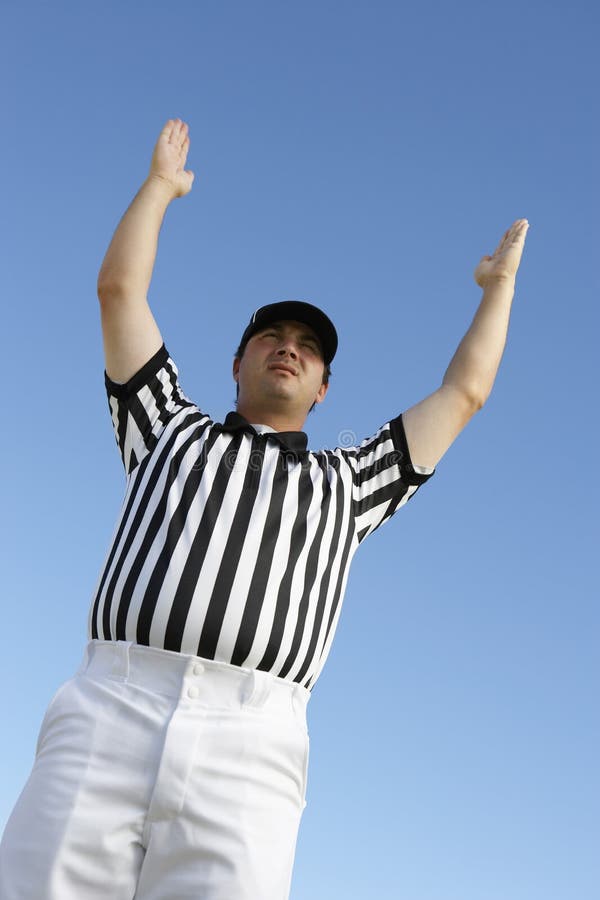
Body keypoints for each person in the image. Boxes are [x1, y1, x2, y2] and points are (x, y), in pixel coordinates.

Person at [0, 118, 529, 900]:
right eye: (272, 336)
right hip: (110, 707)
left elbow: (465, 394)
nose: (290, 346)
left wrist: (499, 291)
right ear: (238, 361)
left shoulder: (352, 484)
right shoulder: (163, 426)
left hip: (253, 743)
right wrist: (160, 189)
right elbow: (119, 291)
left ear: (323, 390)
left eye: (308, 347)